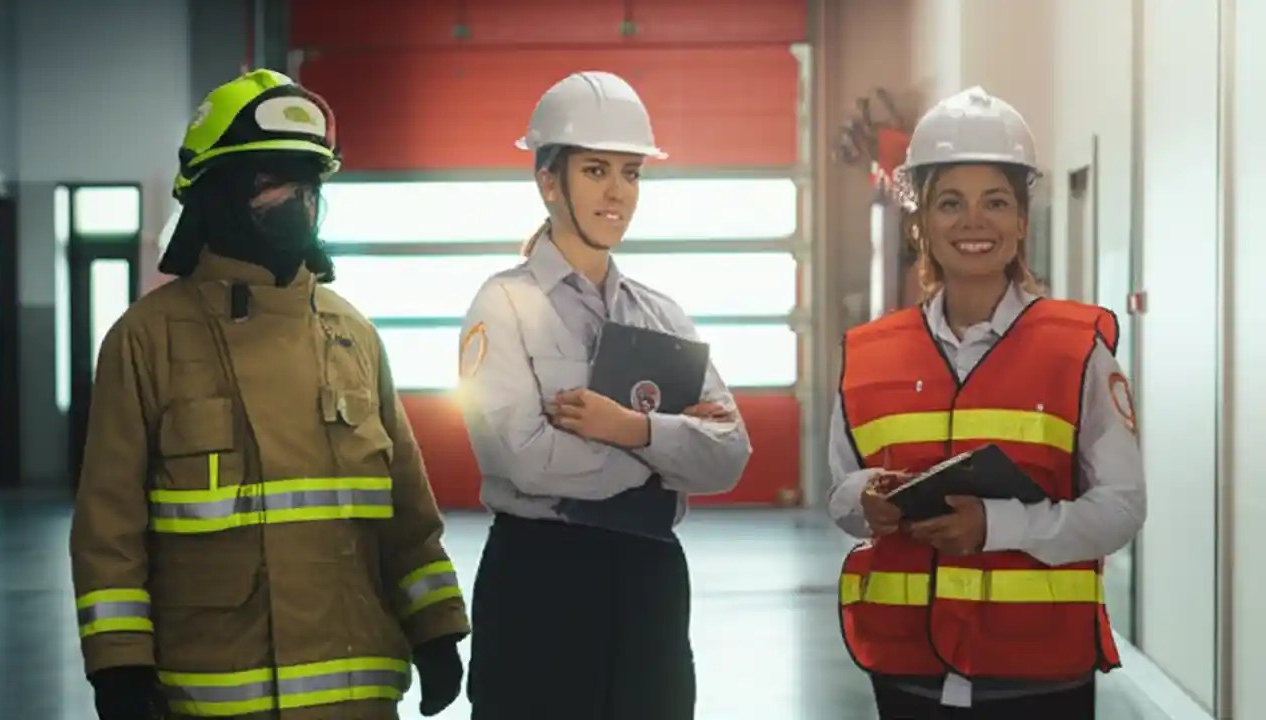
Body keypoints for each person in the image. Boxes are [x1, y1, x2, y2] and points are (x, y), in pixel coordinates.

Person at [68, 69, 471, 720]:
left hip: (358, 696)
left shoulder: (352, 335)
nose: (298, 199)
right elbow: (108, 531)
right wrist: (118, 664)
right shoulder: (144, 340)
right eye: (271, 179)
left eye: (310, 181)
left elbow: (409, 517)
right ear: (215, 194)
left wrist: (437, 627)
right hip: (214, 695)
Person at [827, 86, 1146, 719]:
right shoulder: (869, 353)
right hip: (906, 673)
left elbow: (1121, 509)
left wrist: (997, 527)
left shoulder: (1079, 349)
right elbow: (840, 491)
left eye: (996, 202)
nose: (974, 221)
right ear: (920, 224)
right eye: (951, 203)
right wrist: (864, 500)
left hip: (1037, 677)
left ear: (1023, 221)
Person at [456, 70, 752, 720]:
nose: (617, 193)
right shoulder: (502, 305)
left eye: (632, 173)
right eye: (595, 171)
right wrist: (668, 456)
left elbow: (730, 455)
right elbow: (523, 459)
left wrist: (630, 430)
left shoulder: (663, 316)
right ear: (548, 181)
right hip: (539, 579)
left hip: (650, 582)